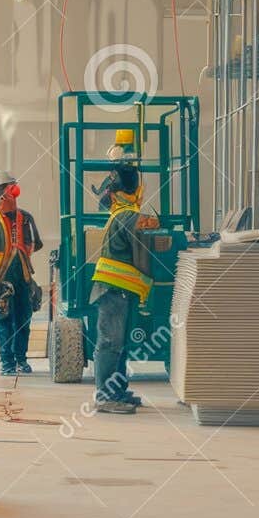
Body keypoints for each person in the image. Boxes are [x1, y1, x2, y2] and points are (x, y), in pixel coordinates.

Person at [89, 161, 154, 414]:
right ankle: (105, 396)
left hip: (116, 290)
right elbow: (143, 258)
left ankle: (116, 390)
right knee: (110, 343)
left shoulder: (121, 213)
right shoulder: (130, 216)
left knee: (120, 344)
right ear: (137, 191)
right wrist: (153, 284)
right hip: (114, 290)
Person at [0, 170, 43, 376]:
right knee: (5, 319)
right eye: (3, 190)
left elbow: (34, 243)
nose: (6, 193)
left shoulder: (25, 218)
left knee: (23, 318)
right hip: (1, 279)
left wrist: (24, 252)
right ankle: (7, 362)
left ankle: (20, 359)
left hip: (22, 277)